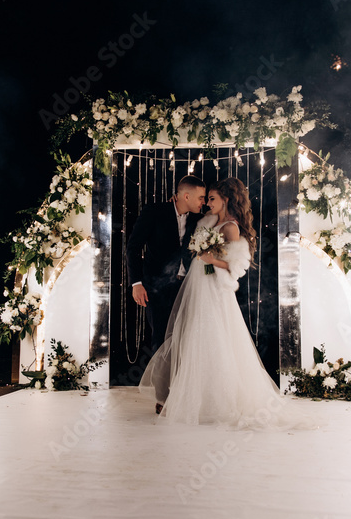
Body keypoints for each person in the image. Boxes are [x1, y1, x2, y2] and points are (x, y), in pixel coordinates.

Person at [138, 177, 317, 429]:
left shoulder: (230, 227)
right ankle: (185, 396)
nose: (207, 203)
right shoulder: (207, 221)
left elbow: (239, 264)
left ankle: (216, 401)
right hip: (196, 284)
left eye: (211, 199)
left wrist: (213, 260)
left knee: (214, 337)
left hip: (213, 287)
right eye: (205, 198)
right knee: (191, 338)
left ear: (226, 200)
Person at [126, 175, 206, 411]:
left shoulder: (200, 219)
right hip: (156, 287)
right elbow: (133, 247)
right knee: (162, 339)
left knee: (187, 339)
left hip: (188, 286)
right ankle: (163, 398)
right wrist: (136, 283)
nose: (203, 201)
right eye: (200, 197)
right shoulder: (154, 211)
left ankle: (183, 394)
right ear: (186, 196)